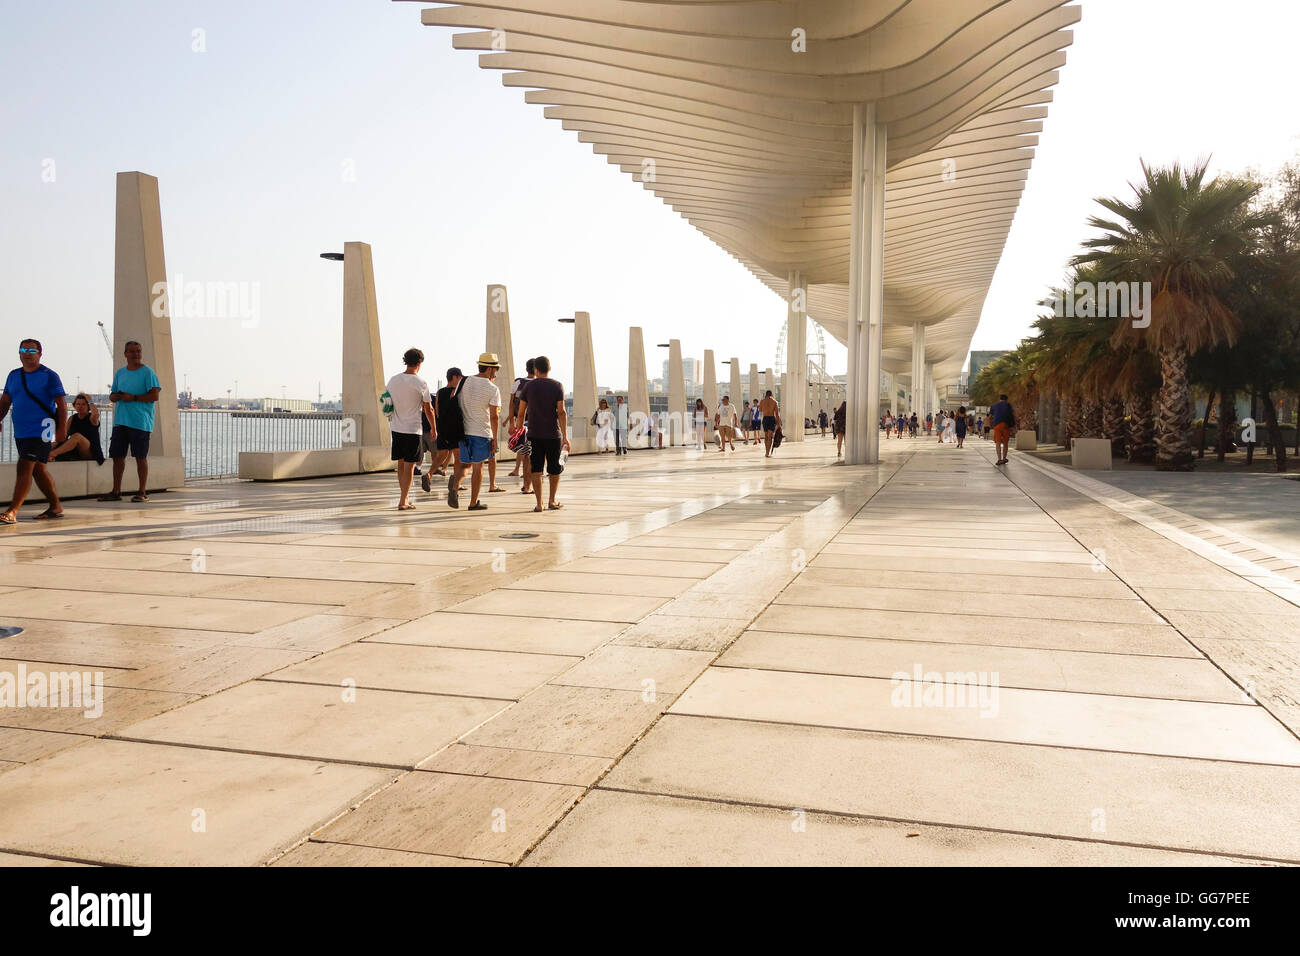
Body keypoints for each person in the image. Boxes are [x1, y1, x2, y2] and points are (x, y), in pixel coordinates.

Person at [1, 338, 67, 523]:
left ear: (40, 353)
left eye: (32, 350)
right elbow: (5, 401)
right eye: (24, 350)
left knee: (24, 464)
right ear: (19, 353)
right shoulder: (13, 375)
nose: (27, 353)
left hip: (42, 428)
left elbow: (61, 403)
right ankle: (55, 506)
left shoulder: (48, 375)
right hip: (22, 430)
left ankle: (12, 511)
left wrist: (62, 429)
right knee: (37, 468)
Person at [96, 341, 161, 503]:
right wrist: (115, 397)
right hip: (121, 422)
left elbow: (154, 396)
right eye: (132, 351)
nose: (136, 354)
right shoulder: (120, 373)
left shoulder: (148, 373)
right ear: (125, 353)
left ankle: (142, 491)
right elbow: (112, 394)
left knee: (140, 457)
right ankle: (116, 491)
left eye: (138, 351)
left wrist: (133, 398)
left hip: (140, 422)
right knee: (117, 457)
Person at [448, 352, 502, 510]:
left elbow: (453, 398)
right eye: (496, 369)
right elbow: (494, 417)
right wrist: (494, 438)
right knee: (478, 467)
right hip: (481, 432)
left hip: (463, 431)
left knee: (466, 464)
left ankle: (455, 484)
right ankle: (473, 502)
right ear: (490, 369)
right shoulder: (493, 389)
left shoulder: (464, 381)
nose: (497, 372)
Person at [517, 355, 569, 512]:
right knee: (555, 469)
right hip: (553, 434)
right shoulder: (557, 386)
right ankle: (552, 501)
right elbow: (561, 412)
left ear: (535, 370)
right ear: (549, 368)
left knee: (536, 469)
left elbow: (521, 412)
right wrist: (565, 436)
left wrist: (519, 430)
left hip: (533, 434)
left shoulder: (529, 387)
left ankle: (539, 504)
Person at [386, 348, 436, 510]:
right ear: (420, 363)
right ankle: (403, 500)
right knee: (410, 465)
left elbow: (387, 402)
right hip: (413, 429)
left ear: (405, 361)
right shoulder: (421, 383)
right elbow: (429, 410)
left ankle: (404, 497)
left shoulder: (393, 380)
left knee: (401, 464)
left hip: (396, 428)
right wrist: (434, 428)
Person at [432, 367, 464, 493]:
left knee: (441, 455)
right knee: (458, 457)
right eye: (460, 378)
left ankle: (428, 474)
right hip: (455, 428)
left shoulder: (439, 392)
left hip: (442, 428)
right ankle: (456, 483)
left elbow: (437, 411)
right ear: (455, 377)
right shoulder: (458, 392)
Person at [50, 393, 105, 465]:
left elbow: (96, 414)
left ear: (88, 406)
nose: (80, 406)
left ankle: (53, 454)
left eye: (83, 404)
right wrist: (52, 445)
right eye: (78, 404)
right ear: (74, 405)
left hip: (91, 452)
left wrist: (90, 400)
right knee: (50, 444)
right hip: (76, 451)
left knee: (77, 436)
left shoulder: (91, 418)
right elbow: (64, 436)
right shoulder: (72, 418)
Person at [508, 358, 536, 490]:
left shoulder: (518, 382)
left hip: (522, 424)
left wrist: (512, 423)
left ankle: (526, 485)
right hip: (538, 424)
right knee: (532, 456)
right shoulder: (542, 383)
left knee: (526, 455)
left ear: (526, 368)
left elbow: (511, 403)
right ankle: (528, 485)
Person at [988, 393, 1017, 465]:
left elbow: (990, 417)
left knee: (998, 443)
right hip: (1005, 425)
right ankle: (1004, 458)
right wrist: (1014, 426)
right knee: (1005, 443)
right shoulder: (1008, 405)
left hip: (997, 425)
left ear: (999, 399)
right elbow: (1012, 415)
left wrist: (991, 425)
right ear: (1006, 400)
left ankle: (999, 459)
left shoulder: (994, 405)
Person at [759, 389, 781, 457]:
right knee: (770, 436)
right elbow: (777, 414)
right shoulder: (774, 402)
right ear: (771, 394)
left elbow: (760, 411)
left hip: (765, 418)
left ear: (766, 394)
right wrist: (778, 424)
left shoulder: (762, 401)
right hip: (771, 418)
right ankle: (768, 452)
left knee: (766, 436)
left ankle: (766, 452)